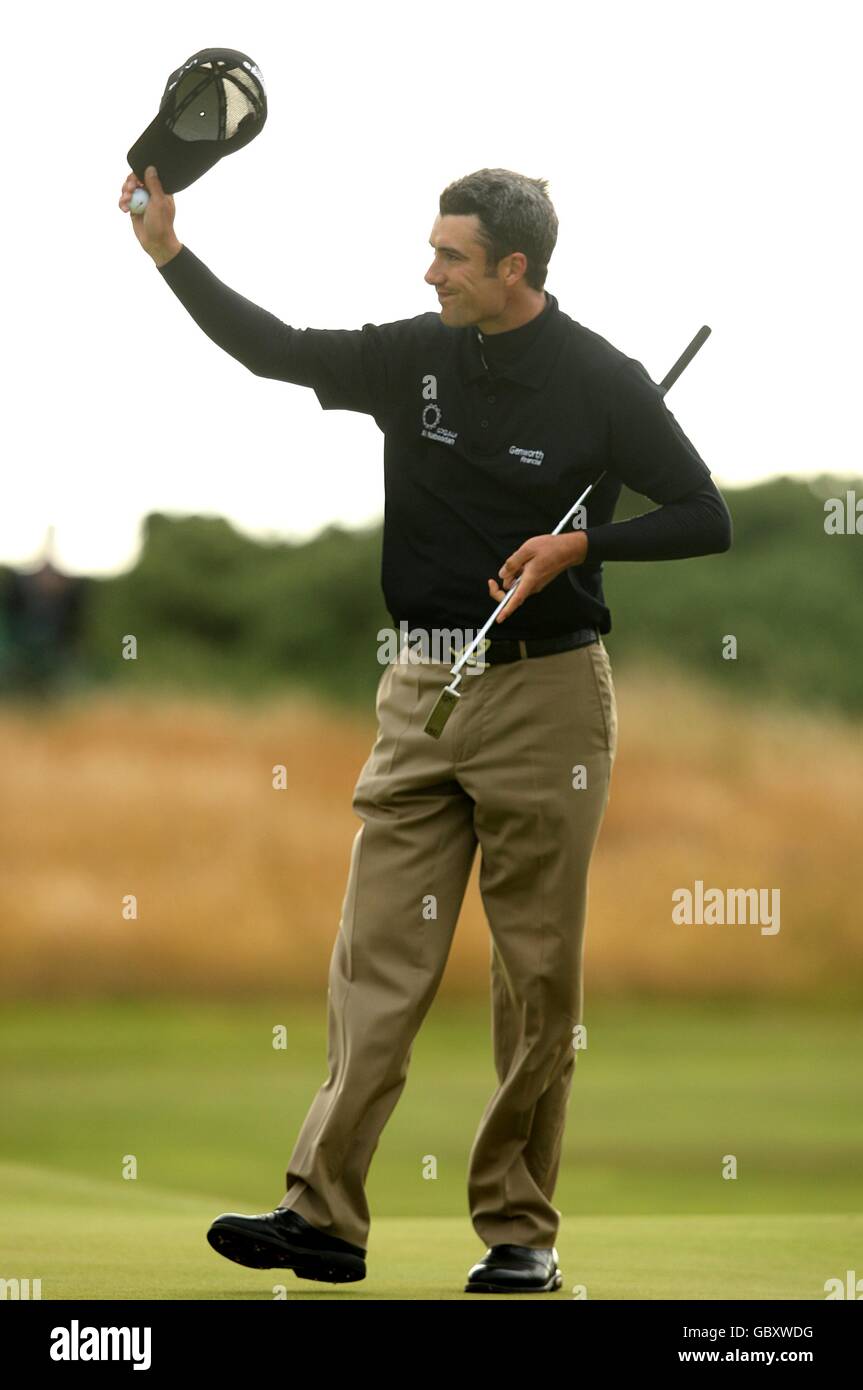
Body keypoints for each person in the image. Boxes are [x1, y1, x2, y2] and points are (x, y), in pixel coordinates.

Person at [118, 163, 732, 1295]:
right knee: (374, 961)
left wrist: (578, 548)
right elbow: (277, 348)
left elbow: (705, 514)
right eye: (431, 250)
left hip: (547, 694)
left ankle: (517, 1233)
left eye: (449, 256)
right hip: (416, 688)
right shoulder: (415, 353)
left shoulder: (602, 380)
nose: (428, 270)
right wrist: (167, 252)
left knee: (534, 977)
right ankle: (322, 1214)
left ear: (513, 267)